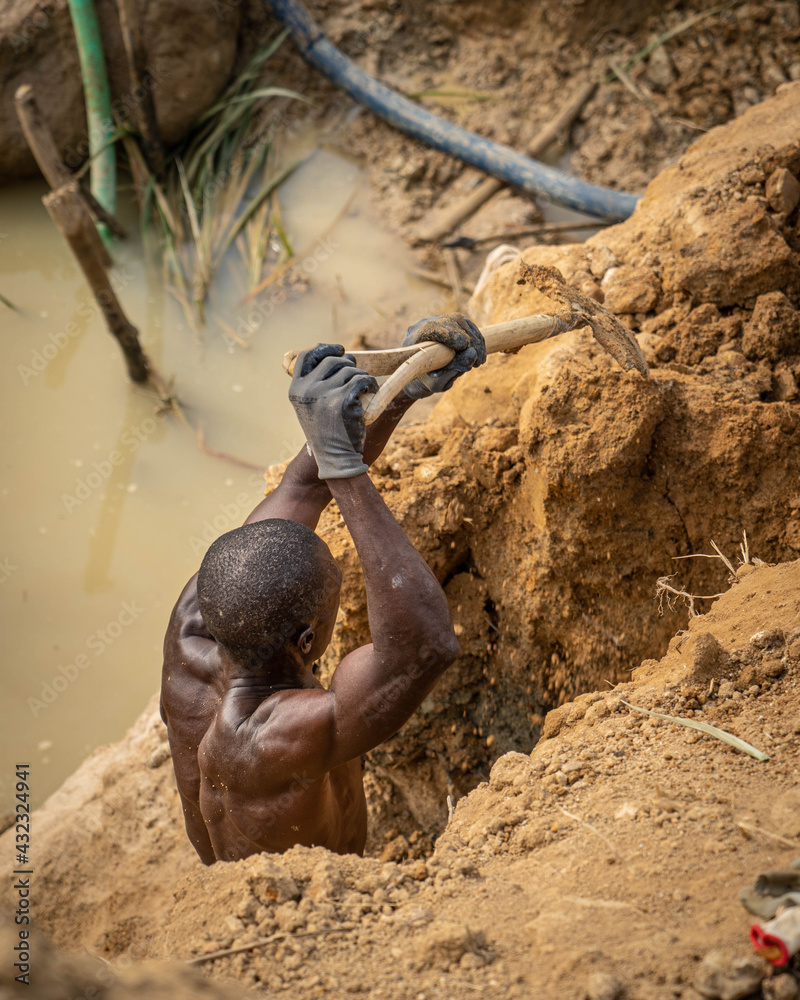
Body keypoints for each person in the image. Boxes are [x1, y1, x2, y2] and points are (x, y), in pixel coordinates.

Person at [160, 315, 486, 863]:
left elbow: (303, 485)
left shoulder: (202, 611)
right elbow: (425, 646)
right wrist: (344, 468)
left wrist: (401, 387)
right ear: (307, 641)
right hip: (293, 905)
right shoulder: (278, 738)